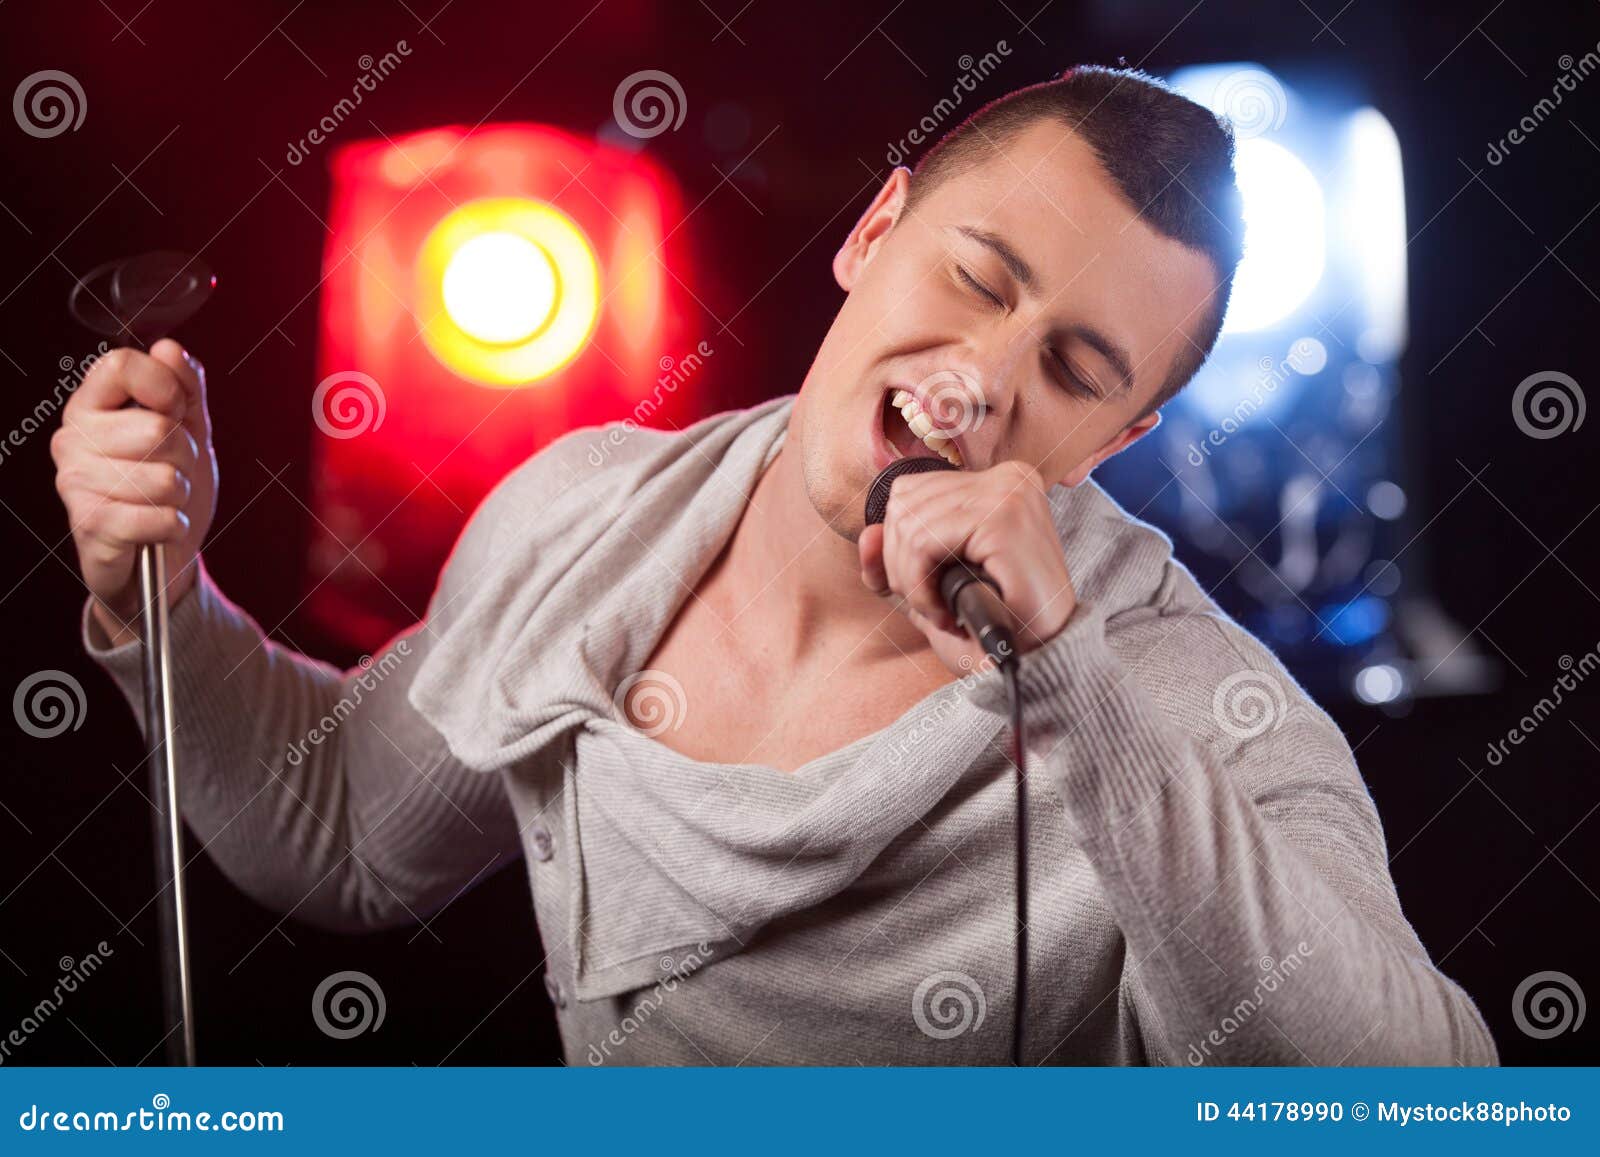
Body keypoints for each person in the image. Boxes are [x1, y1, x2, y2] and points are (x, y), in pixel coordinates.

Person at [54, 66, 1496, 1065]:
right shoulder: (584, 518)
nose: (982, 378)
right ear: (877, 231)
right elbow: (342, 829)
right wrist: (158, 597)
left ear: (1121, 434)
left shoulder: (1182, 695)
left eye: (1071, 368)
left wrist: (1077, 697)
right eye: (977, 279)